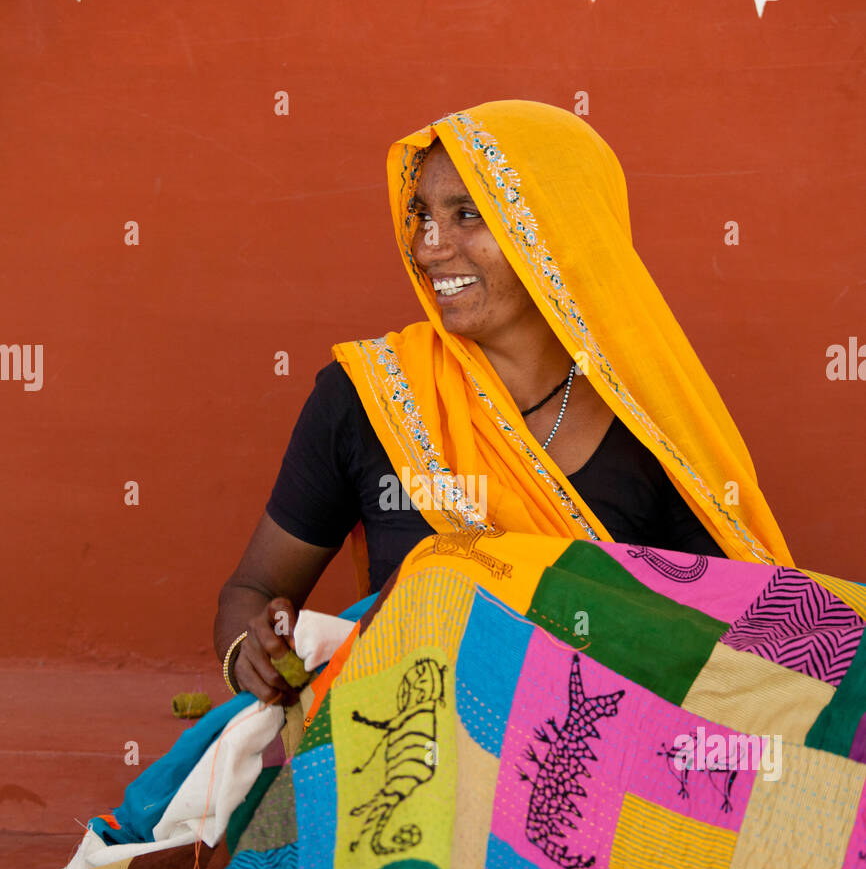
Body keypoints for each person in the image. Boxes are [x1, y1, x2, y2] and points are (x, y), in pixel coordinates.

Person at [214, 99, 793, 707]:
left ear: (558, 229)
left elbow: (747, 652)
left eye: (467, 214)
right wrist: (251, 656)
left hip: (594, 765)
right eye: (421, 215)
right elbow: (252, 590)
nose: (429, 248)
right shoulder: (371, 395)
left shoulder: (651, 427)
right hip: (408, 761)